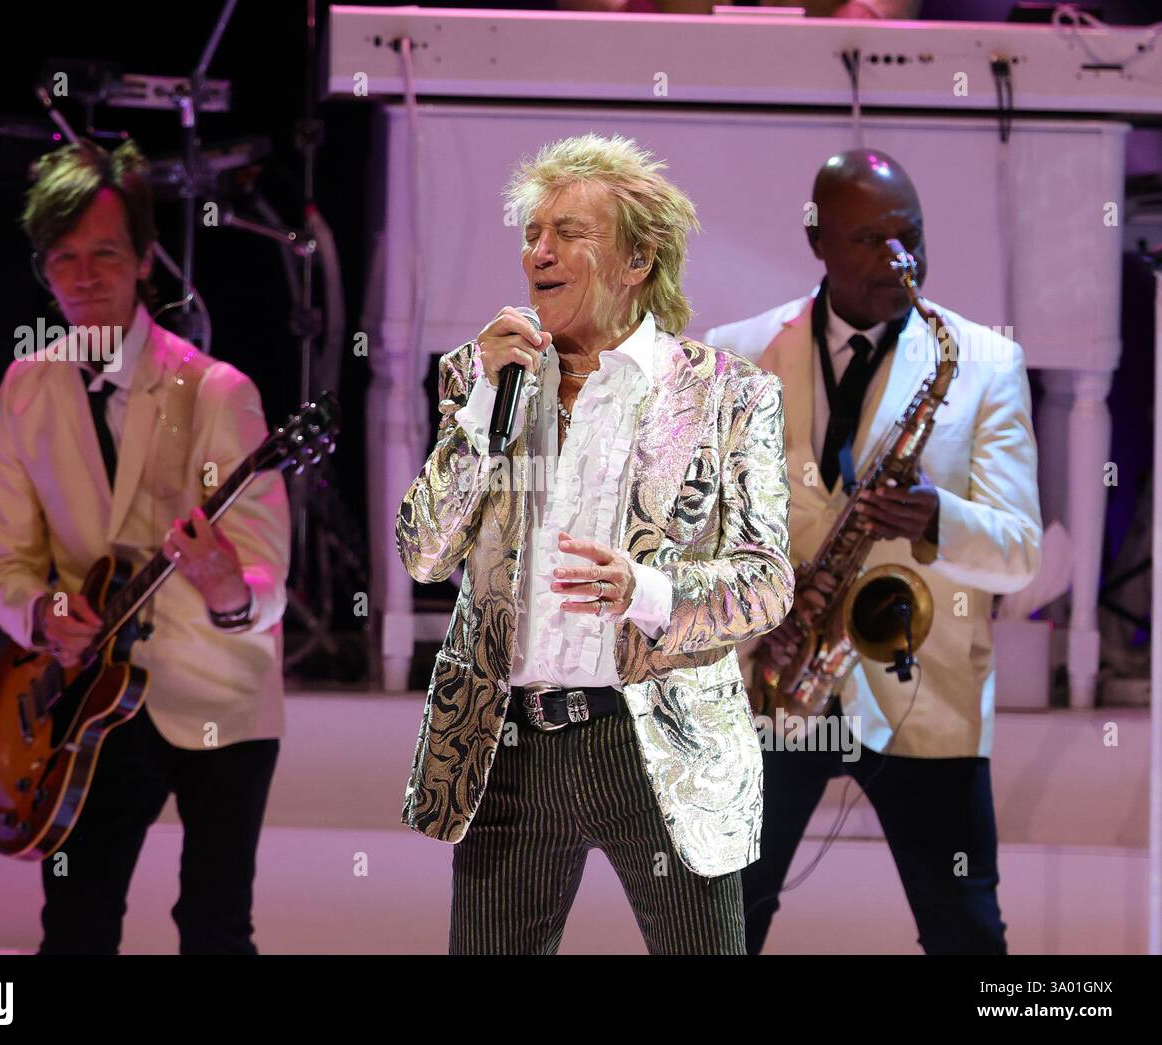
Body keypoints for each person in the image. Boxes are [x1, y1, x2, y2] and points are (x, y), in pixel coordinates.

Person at [395, 133, 794, 954]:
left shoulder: (730, 395)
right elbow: (423, 555)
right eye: (531, 233)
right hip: (509, 742)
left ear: (637, 260)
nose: (537, 251)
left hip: (652, 739)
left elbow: (764, 580)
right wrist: (478, 416)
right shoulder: (482, 381)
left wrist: (648, 592)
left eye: (566, 233)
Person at [705, 148, 1041, 954]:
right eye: (872, 240)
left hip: (922, 695)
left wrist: (935, 517)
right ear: (817, 238)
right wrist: (760, 623)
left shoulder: (986, 364)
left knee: (967, 934)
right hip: (771, 688)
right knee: (722, 926)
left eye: (911, 235)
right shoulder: (731, 354)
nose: (901, 258)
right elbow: (693, 540)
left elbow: (1020, 553)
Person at [0, 139, 291, 954]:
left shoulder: (219, 391)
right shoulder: (24, 391)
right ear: (44, 269)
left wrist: (229, 588)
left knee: (215, 930)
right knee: (75, 926)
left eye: (106, 253)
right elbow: (5, 566)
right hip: (89, 699)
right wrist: (45, 613)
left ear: (146, 257)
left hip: (222, 691)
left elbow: (267, 579)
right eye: (64, 257)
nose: (84, 277)